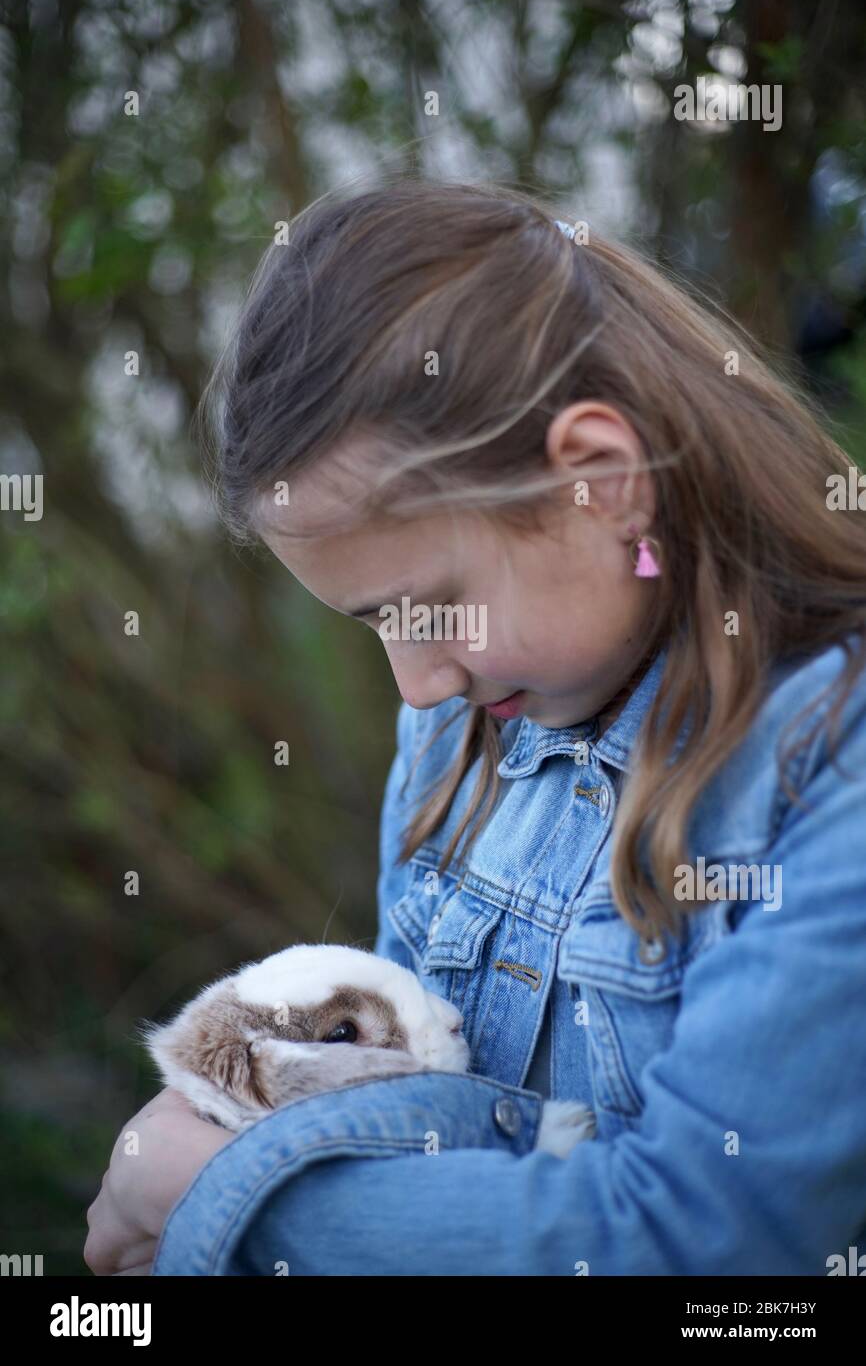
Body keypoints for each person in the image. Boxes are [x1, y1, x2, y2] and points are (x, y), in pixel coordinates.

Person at [85, 178, 866, 1276]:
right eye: (373, 628)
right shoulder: (463, 744)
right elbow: (424, 1119)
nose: (415, 684)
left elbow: (700, 1236)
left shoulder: (829, 762)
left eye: (426, 607)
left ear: (601, 483)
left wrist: (231, 1195)